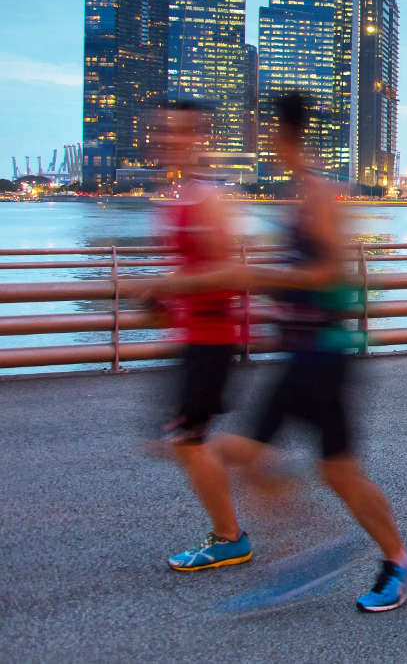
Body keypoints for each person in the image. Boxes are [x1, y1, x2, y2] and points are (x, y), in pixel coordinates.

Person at [218, 92, 407, 612]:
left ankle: (388, 560)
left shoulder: (321, 194)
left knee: (337, 471)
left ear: (282, 134)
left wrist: (260, 275)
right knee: (252, 457)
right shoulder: (297, 195)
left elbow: (331, 273)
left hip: (326, 356)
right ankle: (311, 553)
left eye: (264, 130)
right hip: (298, 354)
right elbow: (297, 279)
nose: (260, 138)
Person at [143, 102, 252, 572]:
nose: (168, 140)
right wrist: (166, 300)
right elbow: (195, 269)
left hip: (213, 335)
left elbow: (229, 271)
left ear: (198, 138)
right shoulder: (181, 196)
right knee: (186, 436)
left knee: (189, 437)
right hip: (194, 334)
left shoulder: (208, 199)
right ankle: (264, 474)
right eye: (163, 132)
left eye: (179, 132)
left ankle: (230, 536)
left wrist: (168, 288)